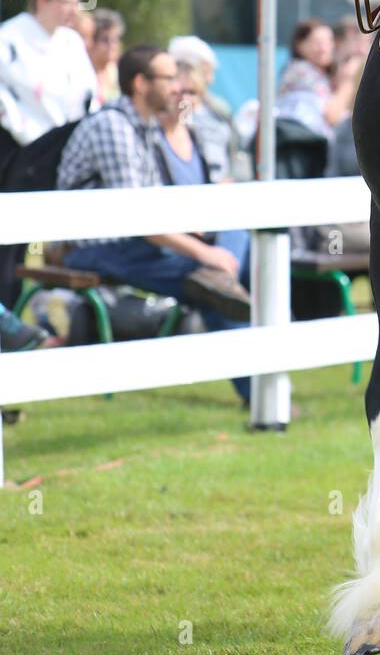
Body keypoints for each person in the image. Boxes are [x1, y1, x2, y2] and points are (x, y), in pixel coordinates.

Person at [55, 45, 254, 405]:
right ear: (140, 83)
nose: (178, 86)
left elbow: (152, 209)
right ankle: (260, 396)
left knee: (232, 253)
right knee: (204, 279)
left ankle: (262, 383)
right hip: (91, 248)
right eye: (168, 77)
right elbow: (138, 219)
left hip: (130, 243)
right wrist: (204, 251)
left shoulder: (141, 127)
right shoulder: (113, 127)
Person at [0, 0, 99, 304]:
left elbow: (90, 96)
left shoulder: (71, 42)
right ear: (43, 0)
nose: (75, 10)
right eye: (68, 1)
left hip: (64, 155)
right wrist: (30, 137)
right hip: (17, 157)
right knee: (9, 247)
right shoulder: (8, 38)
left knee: (45, 243)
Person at [168, 35, 240, 182]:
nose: (211, 79)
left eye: (191, 92)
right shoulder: (179, 113)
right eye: (207, 71)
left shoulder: (219, 110)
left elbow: (234, 151)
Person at [90, 8, 126, 105]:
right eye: (105, 40)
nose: (112, 45)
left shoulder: (120, 72)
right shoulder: (83, 72)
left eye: (115, 39)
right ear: (91, 41)